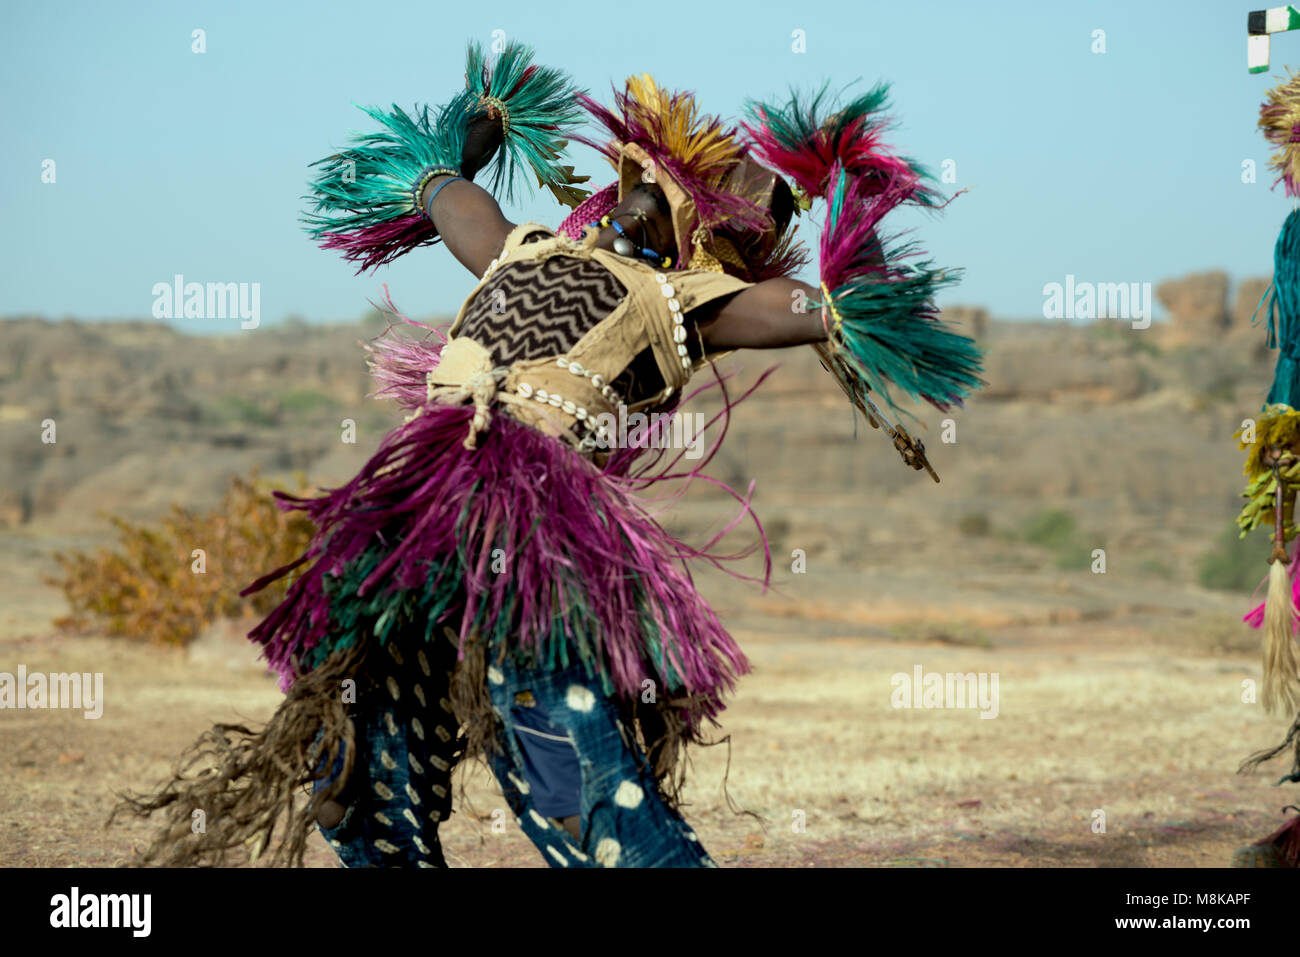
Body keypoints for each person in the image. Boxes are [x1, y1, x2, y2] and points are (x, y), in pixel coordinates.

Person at [114, 41, 982, 868]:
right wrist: (483, 124)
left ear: (695, 245)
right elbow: (441, 189)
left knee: (552, 727)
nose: (636, 201)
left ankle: (574, 789)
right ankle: (370, 770)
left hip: (529, 502)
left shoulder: (681, 298)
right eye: (635, 185)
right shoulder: (525, 248)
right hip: (417, 492)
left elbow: (801, 308)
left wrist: (837, 218)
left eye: (668, 203)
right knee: (358, 702)